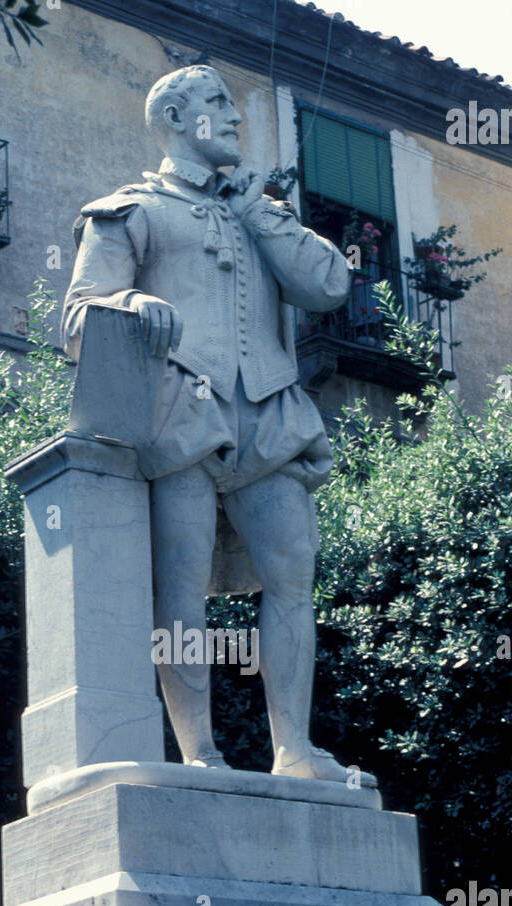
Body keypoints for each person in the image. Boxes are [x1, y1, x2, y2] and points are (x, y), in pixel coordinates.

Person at [63, 65, 359, 781]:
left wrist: (258, 211)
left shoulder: (259, 210)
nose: (233, 118)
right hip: (182, 413)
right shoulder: (131, 209)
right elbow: (77, 318)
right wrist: (128, 306)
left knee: (292, 574)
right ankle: (201, 754)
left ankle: (294, 750)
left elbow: (328, 285)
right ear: (173, 116)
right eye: (218, 104)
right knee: (182, 587)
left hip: (268, 410)